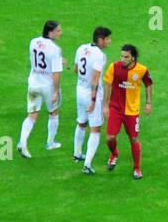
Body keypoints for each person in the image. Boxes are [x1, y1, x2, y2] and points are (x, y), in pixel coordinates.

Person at [102, 43, 152, 178]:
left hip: (132, 111)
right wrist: (105, 105)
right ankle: (114, 153)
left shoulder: (142, 70)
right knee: (110, 138)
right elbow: (107, 85)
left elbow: (148, 84)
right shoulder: (114, 67)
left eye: (126, 57)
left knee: (134, 139)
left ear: (133, 58)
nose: (123, 59)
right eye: (122, 56)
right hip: (116, 109)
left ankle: (137, 168)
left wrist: (148, 102)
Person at [19, 20, 63, 159]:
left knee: (32, 115)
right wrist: (56, 91)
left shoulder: (33, 42)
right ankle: (50, 142)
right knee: (54, 113)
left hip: (33, 83)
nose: (60, 33)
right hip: (48, 86)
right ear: (50, 32)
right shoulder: (55, 49)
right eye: (58, 30)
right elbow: (56, 73)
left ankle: (23, 142)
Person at [72, 26, 112, 175]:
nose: (109, 42)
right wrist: (94, 100)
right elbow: (95, 80)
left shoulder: (81, 48)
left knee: (81, 122)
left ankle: (77, 154)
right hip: (91, 94)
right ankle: (87, 164)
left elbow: (76, 69)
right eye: (107, 39)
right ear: (100, 40)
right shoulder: (100, 56)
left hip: (79, 91)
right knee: (95, 129)